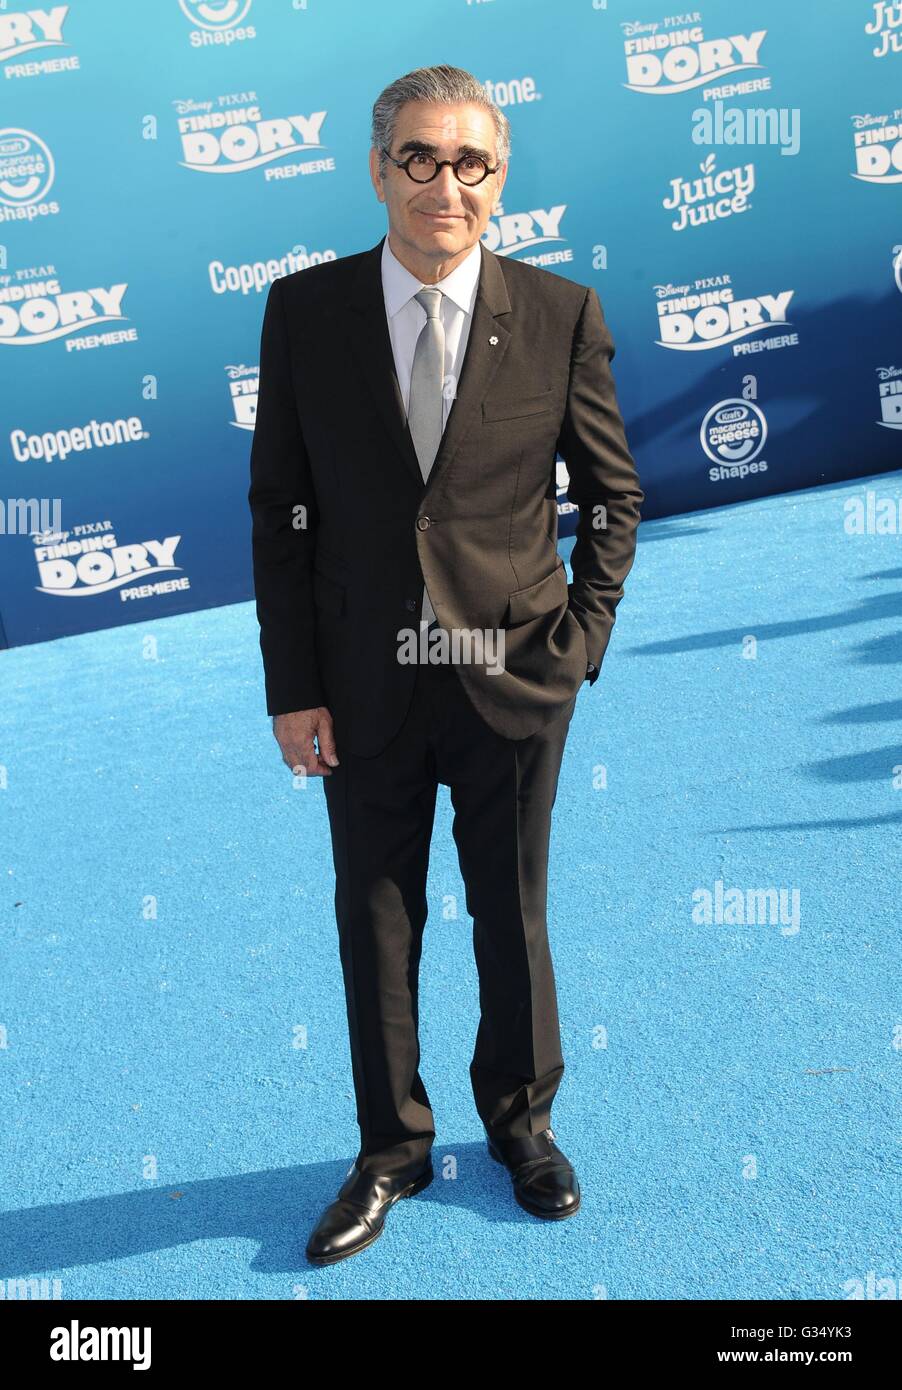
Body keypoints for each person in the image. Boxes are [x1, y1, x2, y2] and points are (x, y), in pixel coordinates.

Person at [248, 63, 644, 1267]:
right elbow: (281, 509)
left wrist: (575, 645)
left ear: (498, 179)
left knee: (508, 912)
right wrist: (292, 685)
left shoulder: (560, 312)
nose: (444, 184)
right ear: (376, 169)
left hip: (514, 671)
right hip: (362, 679)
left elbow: (611, 497)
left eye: (469, 162)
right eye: (418, 157)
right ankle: (390, 1148)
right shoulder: (303, 312)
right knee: (376, 915)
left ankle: (521, 1125)